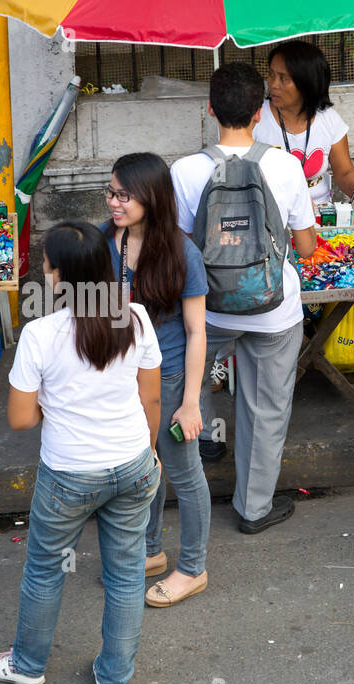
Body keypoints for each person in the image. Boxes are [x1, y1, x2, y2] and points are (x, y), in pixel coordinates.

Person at [0, 222, 163, 684]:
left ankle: (28, 664)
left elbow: (19, 418)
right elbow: (151, 399)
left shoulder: (41, 334)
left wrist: (51, 403)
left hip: (69, 475)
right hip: (134, 463)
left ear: (58, 277)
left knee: (46, 569)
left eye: (46, 264)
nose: (44, 270)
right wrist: (151, 452)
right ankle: (114, 678)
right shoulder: (136, 318)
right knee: (126, 572)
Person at [171, 62, 317, 534]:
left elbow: (180, 248)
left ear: (210, 109)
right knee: (265, 407)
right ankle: (253, 508)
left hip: (207, 306)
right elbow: (308, 245)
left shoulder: (185, 170)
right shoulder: (285, 165)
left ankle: (206, 439)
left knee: (194, 364)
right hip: (273, 309)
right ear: (261, 112)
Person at [101, 153, 211, 607]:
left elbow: (197, 331)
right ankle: (149, 551)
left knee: (184, 473)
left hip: (169, 377)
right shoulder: (107, 242)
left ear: (152, 198)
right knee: (141, 466)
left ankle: (193, 567)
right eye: (110, 192)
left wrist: (190, 402)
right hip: (124, 375)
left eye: (124, 195)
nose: (114, 202)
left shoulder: (183, 252)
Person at [254, 40, 354, 212]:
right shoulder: (255, 119)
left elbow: (344, 172)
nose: (273, 84)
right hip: (270, 216)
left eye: (283, 78)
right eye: (271, 74)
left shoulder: (329, 120)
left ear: (306, 83)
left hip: (319, 217)